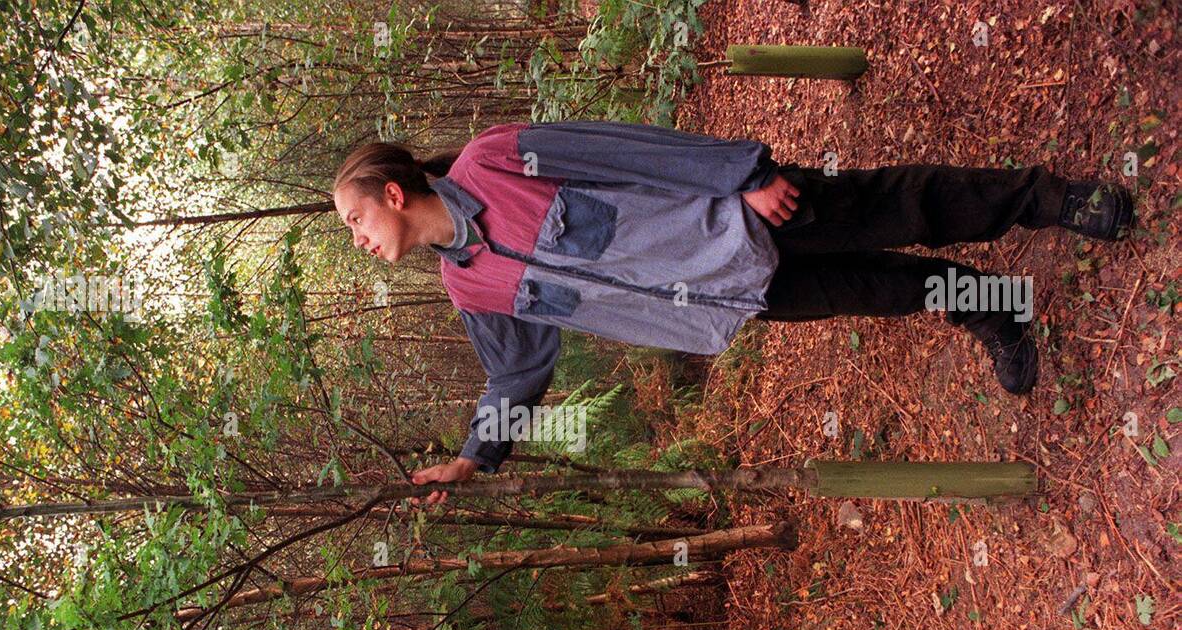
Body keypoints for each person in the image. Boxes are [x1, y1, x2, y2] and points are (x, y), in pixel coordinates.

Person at [332, 120, 1134, 504]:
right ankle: (997, 310)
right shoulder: (466, 286)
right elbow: (516, 372)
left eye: (356, 222)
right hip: (731, 297)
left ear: (393, 195)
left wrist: (740, 173)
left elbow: (622, 151)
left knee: (905, 207)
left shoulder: (493, 161)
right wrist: (474, 457)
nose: (359, 240)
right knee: (886, 290)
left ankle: (1053, 198)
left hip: (738, 219)